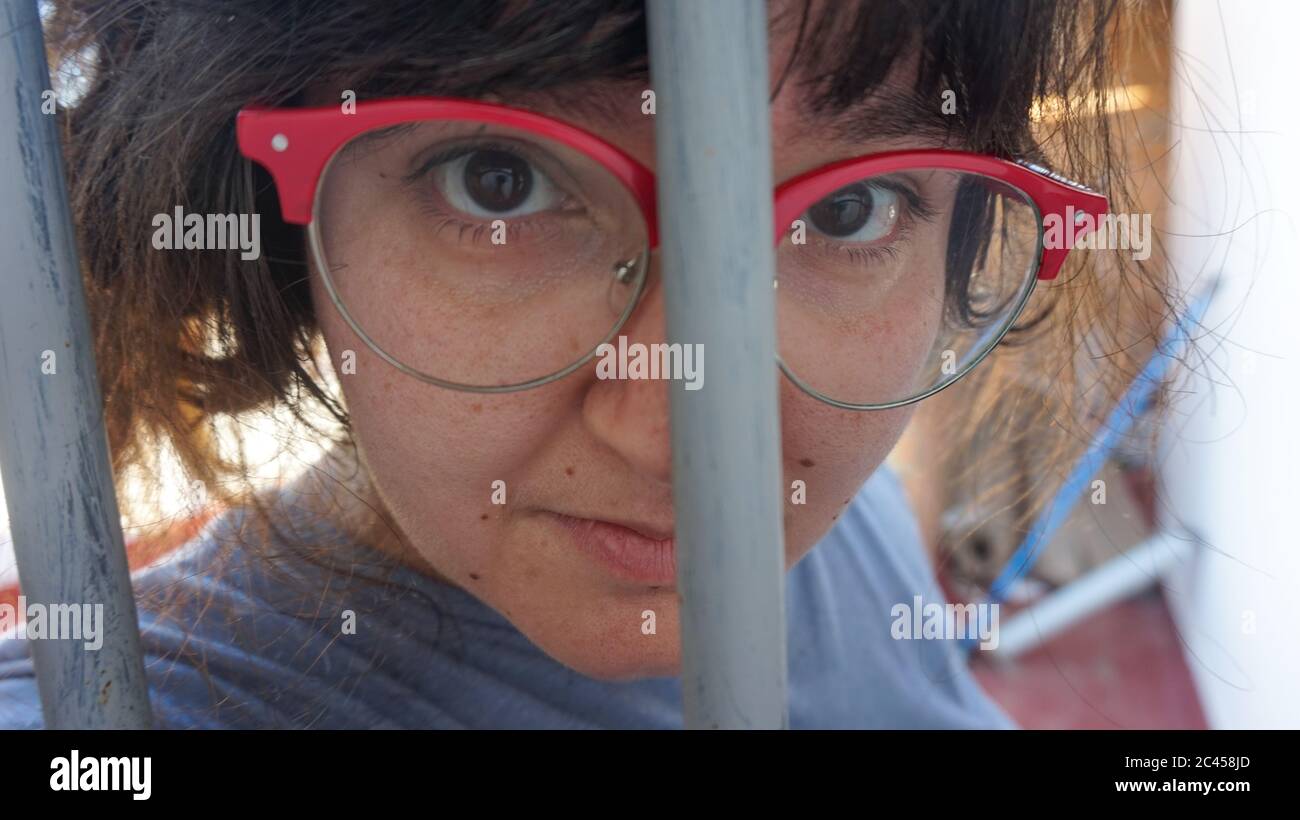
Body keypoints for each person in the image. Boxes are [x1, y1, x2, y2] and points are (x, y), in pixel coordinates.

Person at [0, 0, 1165, 728]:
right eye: (499, 181)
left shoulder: (846, 534)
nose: (691, 445)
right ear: (275, 217)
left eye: (853, 209)